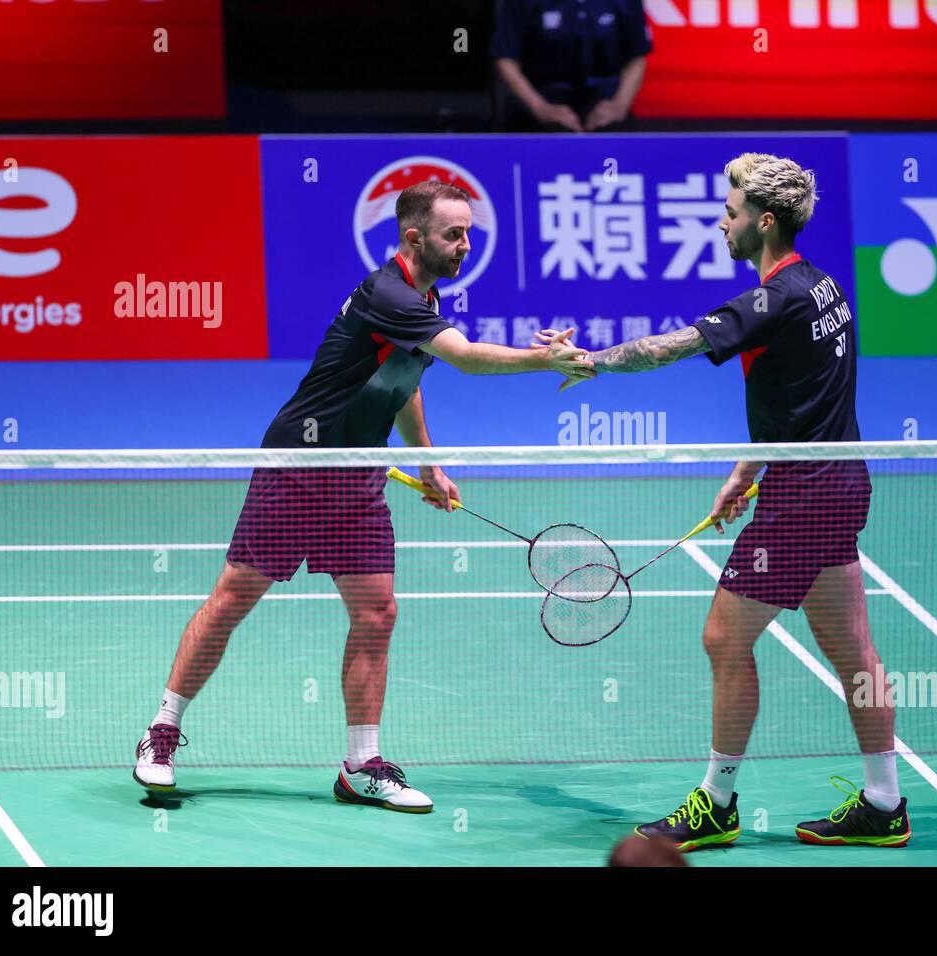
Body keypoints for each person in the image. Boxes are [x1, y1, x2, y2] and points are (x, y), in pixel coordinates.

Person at [132, 180, 593, 813]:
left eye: (469, 233)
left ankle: (361, 765)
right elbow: (466, 360)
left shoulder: (421, 298)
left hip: (357, 475)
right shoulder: (391, 293)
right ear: (414, 237)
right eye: (453, 234)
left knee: (377, 612)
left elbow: (405, 381)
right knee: (236, 597)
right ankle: (161, 731)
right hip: (301, 463)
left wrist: (428, 463)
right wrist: (547, 364)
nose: (466, 246)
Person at [538, 153, 910, 850]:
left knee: (723, 637)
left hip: (801, 501)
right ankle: (885, 802)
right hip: (835, 483)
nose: (721, 221)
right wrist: (747, 471)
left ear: (764, 223)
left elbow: (670, 348)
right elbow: (805, 401)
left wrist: (592, 362)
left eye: (731, 212)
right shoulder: (823, 288)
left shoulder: (771, 299)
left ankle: (718, 802)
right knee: (852, 646)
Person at [492, 0, 652, 132]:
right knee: (548, 132)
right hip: (541, 96)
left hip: (604, 97)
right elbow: (506, 59)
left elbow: (636, 58)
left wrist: (619, 105)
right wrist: (541, 108)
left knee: (615, 131)